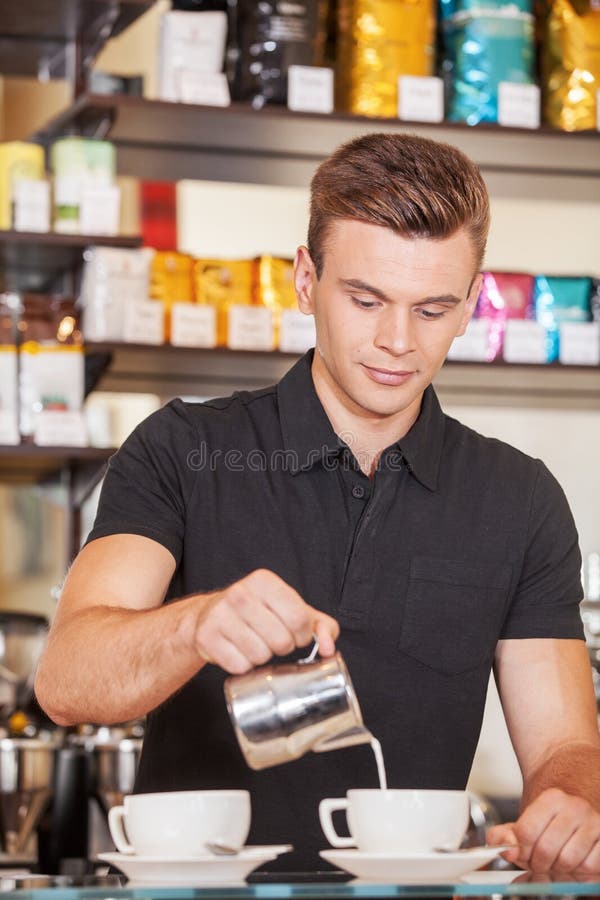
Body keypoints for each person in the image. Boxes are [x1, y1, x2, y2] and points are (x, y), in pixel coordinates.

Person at [35, 132, 600, 875]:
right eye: (366, 300)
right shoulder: (183, 449)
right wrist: (194, 626)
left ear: (470, 303)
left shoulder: (519, 498)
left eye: (432, 309)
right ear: (306, 280)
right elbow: (66, 682)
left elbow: (566, 748)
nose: (397, 341)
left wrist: (569, 806)